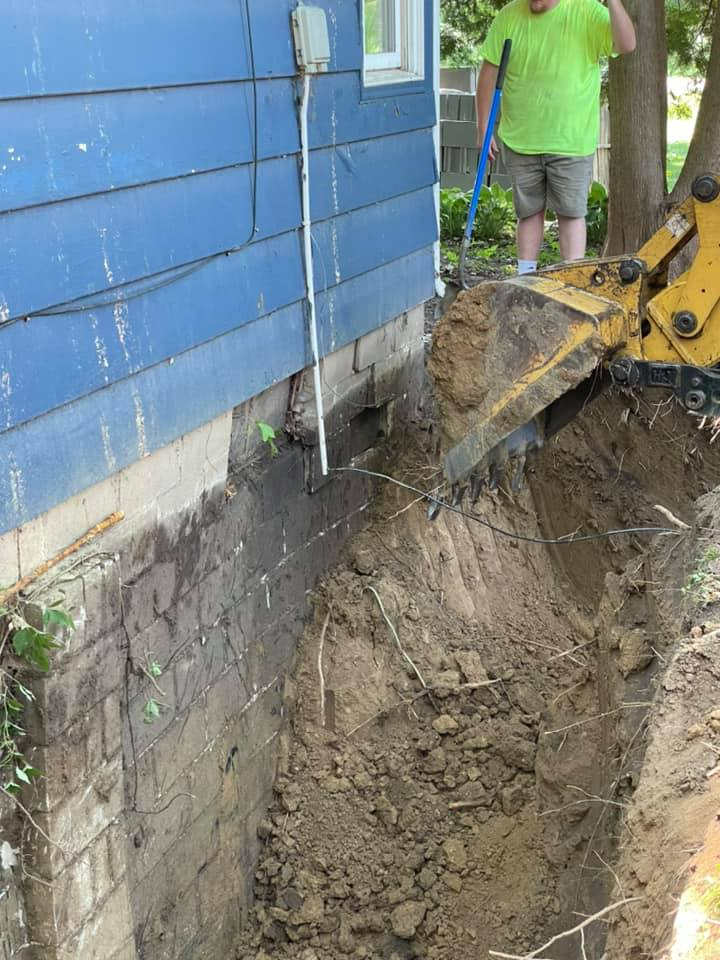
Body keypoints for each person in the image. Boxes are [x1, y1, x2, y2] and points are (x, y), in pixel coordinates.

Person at [476, 0, 636, 274]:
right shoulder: (509, 16)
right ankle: (526, 279)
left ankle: (571, 282)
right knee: (528, 213)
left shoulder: (587, 12)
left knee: (571, 214)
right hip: (520, 138)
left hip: (570, 141)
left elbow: (626, 44)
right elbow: (488, 76)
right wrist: (483, 128)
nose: (535, 3)